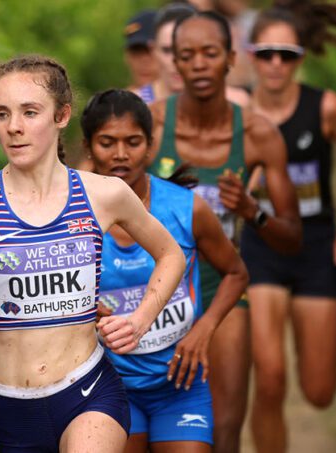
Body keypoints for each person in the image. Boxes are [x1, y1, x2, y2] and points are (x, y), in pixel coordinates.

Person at [0, 55, 187, 452]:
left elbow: (171, 255)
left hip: (90, 391)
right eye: (1, 114)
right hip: (11, 404)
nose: (14, 127)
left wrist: (140, 321)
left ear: (62, 115)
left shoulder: (103, 194)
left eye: (29, 112)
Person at [147, 11, 303, 453]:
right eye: (187, 55)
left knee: (225, 428)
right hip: (154, 291)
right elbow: (95, 192)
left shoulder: (258, 135)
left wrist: (253, 211)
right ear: (174, 62)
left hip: (224, 289)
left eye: (209, 53)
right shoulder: (151, 127)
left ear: (231, 59)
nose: (198, 65)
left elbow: (292, 236)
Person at [82, 89, 249, 452]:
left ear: (151, 146)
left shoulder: (187, 209)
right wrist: (79, 307)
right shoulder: (72, 218)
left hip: (181, 387)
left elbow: (236, 273)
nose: (121, 154)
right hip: (110, 387)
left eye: (133, 142)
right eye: (107, 142)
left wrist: (203, 331)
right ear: (89, 147)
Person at [242, 3, 336, 452]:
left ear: (300, 57)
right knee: (271, 376)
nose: (276, 63)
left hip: (317, 248)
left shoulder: (326, 107)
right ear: (251, 55)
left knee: (319, 392)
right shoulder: (236, 108)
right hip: (259, 248)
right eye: (266, 53)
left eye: (286, 53)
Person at [136, 3, 249, 107]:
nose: (176, 60)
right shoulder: (135, 105)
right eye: (168, 50)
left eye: (188, 51)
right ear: (153, 51)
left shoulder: (235, 103)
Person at [124, 9, 160, 94]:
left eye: (151, 51)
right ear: (126, 57)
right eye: (136, 51)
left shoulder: (186, 103)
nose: (144, 60)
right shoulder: (115, 104)